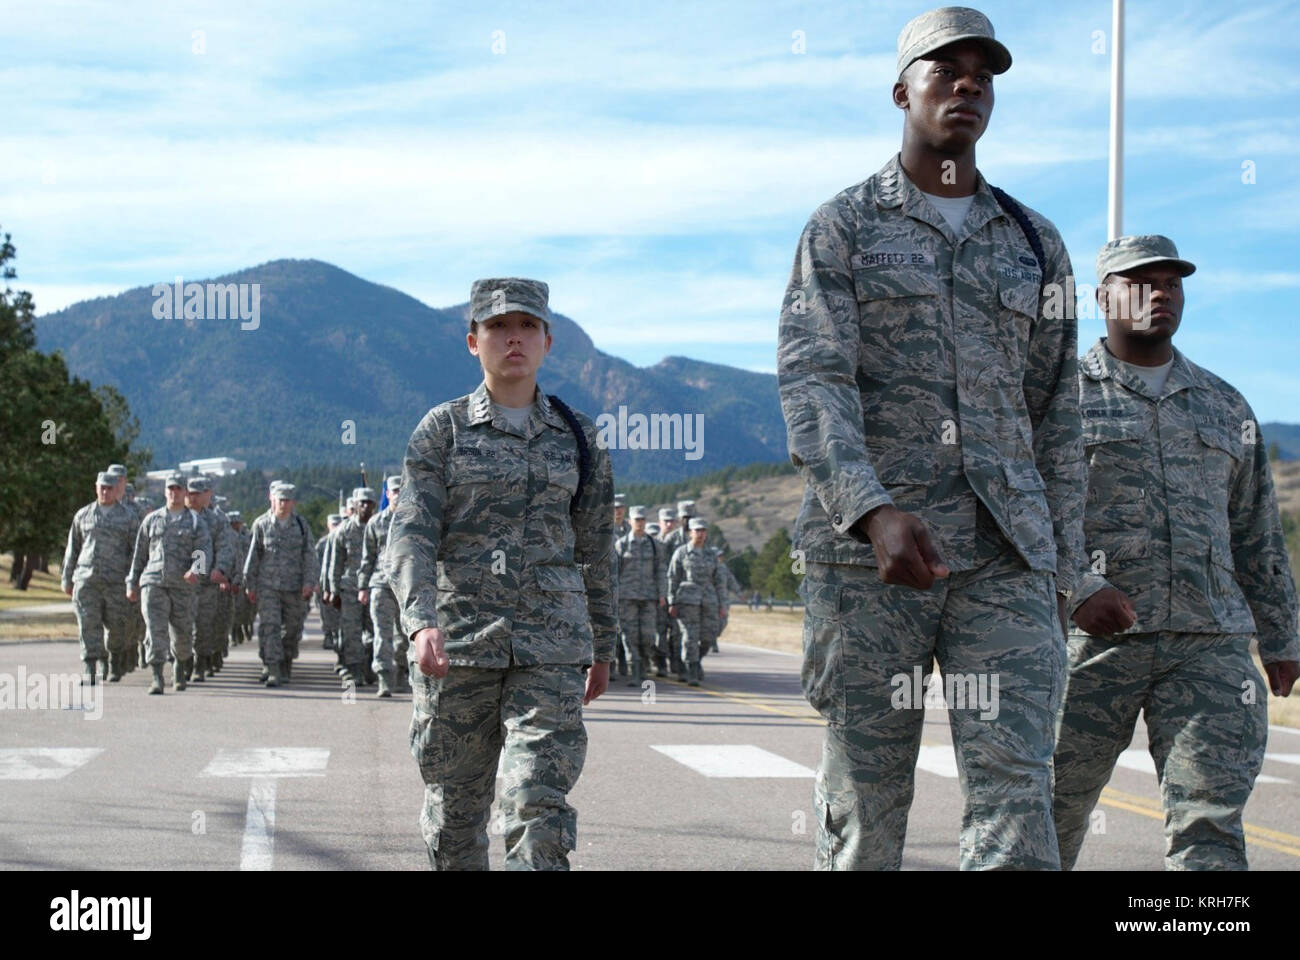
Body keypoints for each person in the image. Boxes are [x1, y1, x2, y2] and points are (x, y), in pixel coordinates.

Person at [777, 6, 1084, 870]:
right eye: (946, 69)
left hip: (1007, 559)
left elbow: (1058, 412)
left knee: (1018, 795)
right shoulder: (843, 227)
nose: (968, 84)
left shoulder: (1034, 242)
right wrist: (871, 510)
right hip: (875, 564)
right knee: (868, 802)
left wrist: (1062, 559)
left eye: (983, 72)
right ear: (901, 90)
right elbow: (814, 378)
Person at [1053, 236, 1300, 870]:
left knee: (1211, 826)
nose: (1161, 294)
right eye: (1143, 282)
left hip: (1208, 646)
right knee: (1044, 817)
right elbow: (1025, 516)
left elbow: (1255, 529)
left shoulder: (1224, 403)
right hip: (1086, 646)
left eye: (1172, 283)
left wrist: (1282, 634)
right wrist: (1077, 588)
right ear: (1103, 296)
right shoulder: (1059, 398)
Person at [387, 277, 615, 870]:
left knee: (535, 804)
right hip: (460, 645)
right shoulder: (443, 430)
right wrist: (419, 623)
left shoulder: (580, 437)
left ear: (547, 341)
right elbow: (411, 533)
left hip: (552, 648)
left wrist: (604, 645)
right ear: (473, 341)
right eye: (497, 327)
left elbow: (594, 547)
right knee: (457, 812)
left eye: (526, 327)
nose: (513, 338)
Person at [126, 472, 212, 694]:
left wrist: (196, 570)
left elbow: (203, 551)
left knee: (182, 633)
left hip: (183, 586)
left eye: (178, 489)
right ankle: (157, 677)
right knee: (155, 630)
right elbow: (140, 554)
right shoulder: (152, 520)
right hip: (153, 582)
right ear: (165, 492)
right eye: (170, 489)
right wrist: (132, 582)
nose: (174, 493)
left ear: (184, 492)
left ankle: (179, 668)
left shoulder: (195, 522)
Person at [62, 472, 140, 683]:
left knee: (117, 626)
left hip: (116, 582)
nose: (105, 492)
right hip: (87, 579)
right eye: (102, 488)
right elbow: (73, 548)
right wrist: (66, 578)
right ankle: (90, 666)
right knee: (88, 623)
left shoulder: (129, 518)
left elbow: (137, 552)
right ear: (96, 488)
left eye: (110, 488)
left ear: (116, 490)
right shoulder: (83, 515)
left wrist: (133, 580)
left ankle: (113, 660)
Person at [243, 482, 317, 687]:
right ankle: (273, 667)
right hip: (268, 587)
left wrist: (309, 582)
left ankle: (286, 661)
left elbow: (310, 556)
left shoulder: (301, 526)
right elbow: (253, 556)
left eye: (287, 500)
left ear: (293, 502)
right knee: (271, 626)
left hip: (294, 587)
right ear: (272, 499)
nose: (283, 504)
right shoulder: (261, 524)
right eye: (280, 499)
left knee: (292, 629)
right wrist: (249, 584)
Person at [360, 475, 407, 697]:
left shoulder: (415, 520)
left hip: (407, 587)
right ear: (387, 494)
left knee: (405, 636)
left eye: (401, 490)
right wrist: (362, 587)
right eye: (394, 491)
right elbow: (367, 558)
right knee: (382, 634)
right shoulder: (375, 523)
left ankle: (402, 674)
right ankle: (384, 678)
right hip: (381, 585)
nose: (398, 494)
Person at [185, 476, 234, 681]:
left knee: (204, 625)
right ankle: (182, 661)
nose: (194, 497)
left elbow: (225, 548)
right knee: (181, 625)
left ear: (208, 495)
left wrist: (220, 569)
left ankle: (199, 662)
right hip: (178, 583)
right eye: (191, 493)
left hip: (206, 584)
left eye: (199, 493)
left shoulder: (216, 521)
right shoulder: (175, 517)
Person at [667, 518, 726, 686]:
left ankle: (697, 660)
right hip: (687, 601)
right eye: (697, 530)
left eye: (703, 531)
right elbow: (673, 578)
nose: (700, 534)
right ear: (690, 533)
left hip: (709, 601)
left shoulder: (712, 555)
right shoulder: (681, 552)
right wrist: (672, 601)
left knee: (709, 636)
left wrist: (723, 604)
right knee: (690, 637)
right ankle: (691, 669)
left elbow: (719, 581)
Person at [330, 486, 378, 687]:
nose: (365, 506)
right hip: (350, 589)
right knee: (352, 632)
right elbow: (336, 562)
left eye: (369, 502)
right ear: (355, 505)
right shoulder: (345, 530)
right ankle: (355, 669)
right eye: (362, 502)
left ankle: (370, 667)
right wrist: (333, 589)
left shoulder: (380, 526)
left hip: (376, 587)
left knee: (375, 632)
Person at [613, 506, 666, 686]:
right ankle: (635, 670)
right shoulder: (621, 545)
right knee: (629, 636)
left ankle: (643, 665)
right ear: (630, 522)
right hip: (626, 598)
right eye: (637, 520)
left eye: (643, 520)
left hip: (649, 597)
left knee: (648, 636)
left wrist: (662, 593)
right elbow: (614, 572)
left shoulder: (654, 544)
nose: (640, 523)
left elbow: (660, 570)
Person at [316, 514, 342, 653]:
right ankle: (328, 635)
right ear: (328, 525)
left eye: (338, 524)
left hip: (341, 585)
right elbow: (317, 564)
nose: (336, 527)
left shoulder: (343, 539)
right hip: (324, 584)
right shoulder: (322, 544)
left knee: (339, 615)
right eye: (333, 524)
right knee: (326, 613)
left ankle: (338, 638)